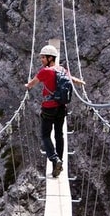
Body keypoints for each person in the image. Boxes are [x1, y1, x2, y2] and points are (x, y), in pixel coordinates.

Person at [24, 44, 85, 178]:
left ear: (50, 58)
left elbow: (33, 83)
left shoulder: (45, 71)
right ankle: (60, 162)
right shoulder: (62, 69)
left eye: (43, 57)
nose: (41, 60)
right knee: (59, 135)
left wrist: (27, 86)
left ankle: (54, 159)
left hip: (48, 107)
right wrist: (80, 82)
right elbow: (71, 79)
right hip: (61, 107)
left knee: (45, 135)